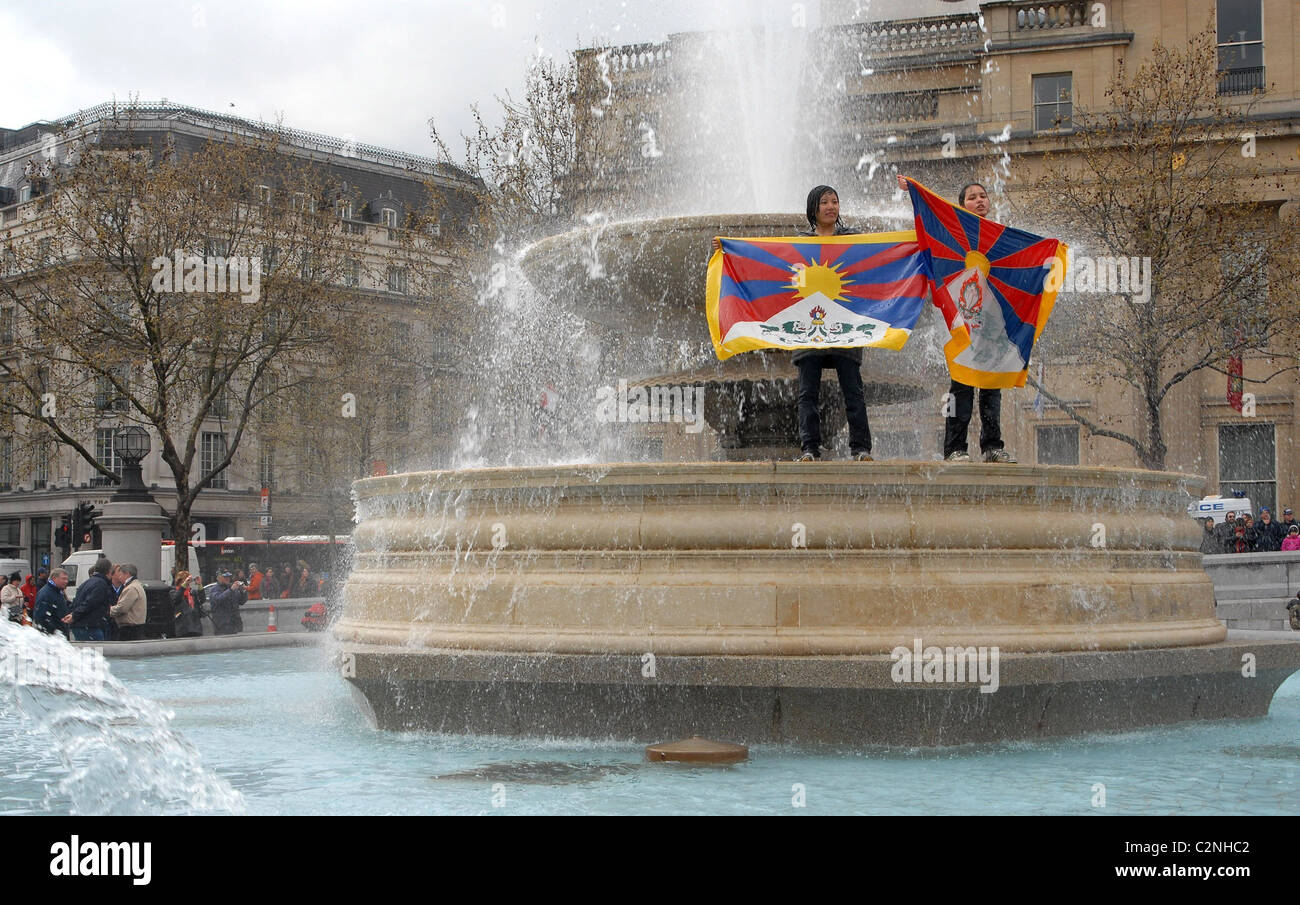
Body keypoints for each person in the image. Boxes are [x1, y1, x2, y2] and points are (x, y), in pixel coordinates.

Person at [714, 185, 874, 461]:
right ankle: (809, 448)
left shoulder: (854, 239)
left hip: (845, 326)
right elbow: (769, 261)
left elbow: (876, 257)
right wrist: (728, 249)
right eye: (824, 202)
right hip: (807, 327)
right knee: (807, 392)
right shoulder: (799, 243)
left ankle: (860, 448)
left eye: (835, 201)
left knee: (853, 390)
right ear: (814, 208)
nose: (831, 207)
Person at [927, 178, 1015, 464]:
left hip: (992, 324)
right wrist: (913, 192)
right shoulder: (956, 235)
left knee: (992, 386)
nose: (979, 201)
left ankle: (992, 447)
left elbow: (1021, 261)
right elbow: (931, 228)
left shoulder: (1001, 237)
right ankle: (954, 448)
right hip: (961, 322)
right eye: (972, 197)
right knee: (960, 387)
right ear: (962, 205)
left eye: (983, 196)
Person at [63, 557, 114, 641]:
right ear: (108, 572)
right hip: (90, 626)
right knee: (96, 652)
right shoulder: (101, 584)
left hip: (82, 625)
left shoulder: (86, 583)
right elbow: (90, 603)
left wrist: (73, 614)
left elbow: (77, 602)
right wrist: (74, 615)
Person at [109, 563, 147, 641]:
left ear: (127, 574)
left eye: (121, 575)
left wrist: (109, 610)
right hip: (136, 627)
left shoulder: (131, 588)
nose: (119, 577)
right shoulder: (137, 585)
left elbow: (122, 608)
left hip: (130, 629)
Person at [33, 569, 71, 637]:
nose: (66, 581)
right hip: (53, 639)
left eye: (67, 579)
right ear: (54, 578)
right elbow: (41, 618)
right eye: (63, 579)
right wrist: (54, 633)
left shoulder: (57, 591)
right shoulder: (46, 594)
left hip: (59, 636)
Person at [208, 569, 246, 635]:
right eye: (225, 577)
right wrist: (231, 590)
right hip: (222, 624)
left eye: (228, 577)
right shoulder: (214, 589)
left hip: (234, 623)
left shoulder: (231, 587)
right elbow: (219, 599)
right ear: (218, 578)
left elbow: (241, 601)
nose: (228, 579)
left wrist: (243, 591)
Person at [170, 570, 204, 638]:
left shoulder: (192, 592)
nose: (188, 583)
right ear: (179, 581)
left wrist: (200, 585)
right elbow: (176, 599)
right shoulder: (173, 591)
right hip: (183, 628)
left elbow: (202, 600)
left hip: (195, 627)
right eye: (185, 581)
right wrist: (184, 586)